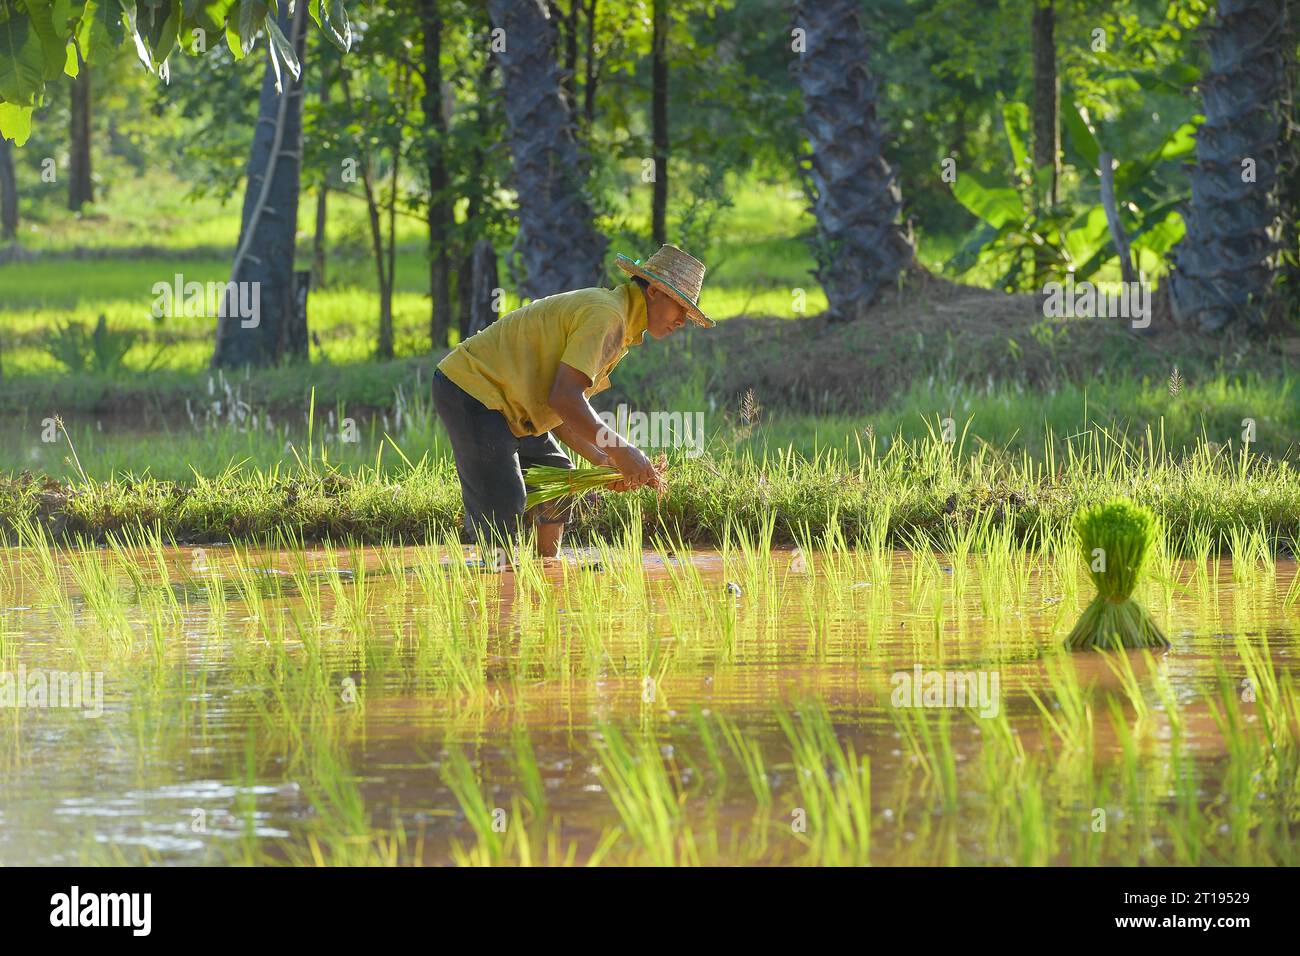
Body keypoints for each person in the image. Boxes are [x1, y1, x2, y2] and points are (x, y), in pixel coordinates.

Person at [433, 244, 714, 562]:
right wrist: (622, 450)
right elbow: (566, 400)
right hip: (474, 390)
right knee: (505, 499)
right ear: (655, 291)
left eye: (687, 315)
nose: (681, 321)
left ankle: (546, 570)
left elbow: (563, 413)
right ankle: (497, 578)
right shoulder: (606, 316)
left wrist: (602, 459)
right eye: (680, 307)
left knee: (558, 479)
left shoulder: (618, 323)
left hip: (513, 403)